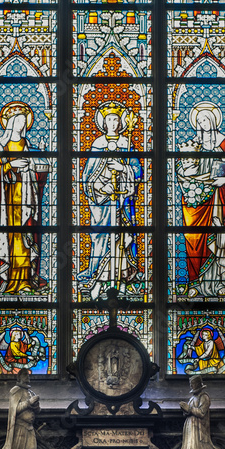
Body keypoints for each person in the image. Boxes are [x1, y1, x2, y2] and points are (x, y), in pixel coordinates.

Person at [78, 102, 143, 301]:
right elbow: (87, 177)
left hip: (121, 202)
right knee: (100, 239)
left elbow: (138, 171)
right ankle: (98, 277)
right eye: (109, 119)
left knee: (122, 240)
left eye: (116, 119)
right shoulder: (97, 144)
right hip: (102, 203)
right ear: (103, 123)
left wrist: (124, 169)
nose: (113, 123)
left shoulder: (126, 143)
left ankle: (122, 280)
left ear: (121, 122)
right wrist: (100, 188)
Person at [176, 103, 225, 297]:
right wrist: (186, 174)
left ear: (212, 120)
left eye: (205, 119)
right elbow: (182, 168)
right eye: (199, 120)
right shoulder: (192, 143)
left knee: (216, 235)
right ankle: (195, 283)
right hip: (195, 202)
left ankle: (219, 281)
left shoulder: (221, 141)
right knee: (194, 238)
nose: (202, 123)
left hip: (216, 198)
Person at [0, 102, 48, 295]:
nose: (21, 124)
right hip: (8, 203)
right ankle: (9, 280)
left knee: (26, 239)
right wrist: (9, 165)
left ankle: (26, 280)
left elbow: (40, 175)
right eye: (18, 120)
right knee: (11, 239)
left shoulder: (28, 145)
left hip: (27, 200)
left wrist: (41, 158)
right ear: (10, 122)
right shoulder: (0, 146)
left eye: (24, 120)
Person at [0, 367, 40, 449]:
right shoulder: (16, 390)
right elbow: (14, 409)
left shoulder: (31, 393)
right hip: (20, 429)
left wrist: (36, 406)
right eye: (25, 375)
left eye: (28, 375)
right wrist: (28, 403)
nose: (28, 377)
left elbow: (37, 410)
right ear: (19, 377)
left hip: (30, 428)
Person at [178, 375, 225, 449]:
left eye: (192, 384)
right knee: (190, 446)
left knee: (197, 444)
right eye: (190, 384)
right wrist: (184, 409)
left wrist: (189, 409)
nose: (191, 386)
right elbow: (187, 412)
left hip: (198, 426)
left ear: (197, 384)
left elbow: (201, 413)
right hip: (190, 424)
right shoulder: (192, 398)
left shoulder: (204, 397)